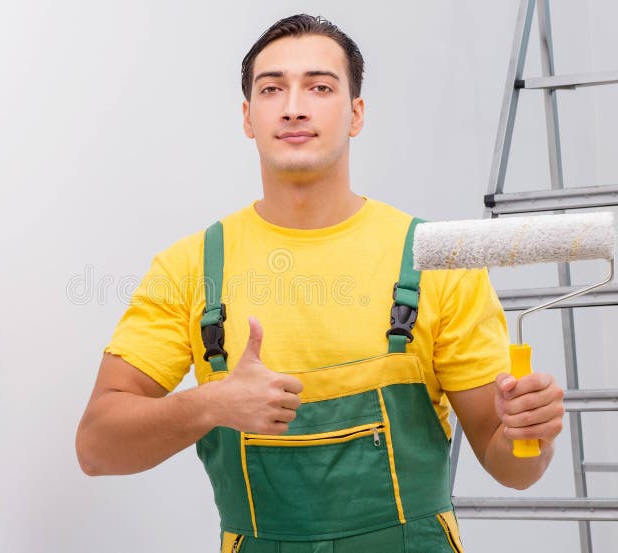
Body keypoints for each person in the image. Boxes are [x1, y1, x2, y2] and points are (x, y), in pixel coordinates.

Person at [75, 13, 565, 553]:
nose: (293, 106)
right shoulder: (190, 269)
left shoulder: (434, 262)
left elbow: (511, 469)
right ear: (248, 117)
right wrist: (211, 404)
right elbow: (97, 448)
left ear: (356, 113)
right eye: (272, 88)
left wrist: (529, 435)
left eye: (320, 87)